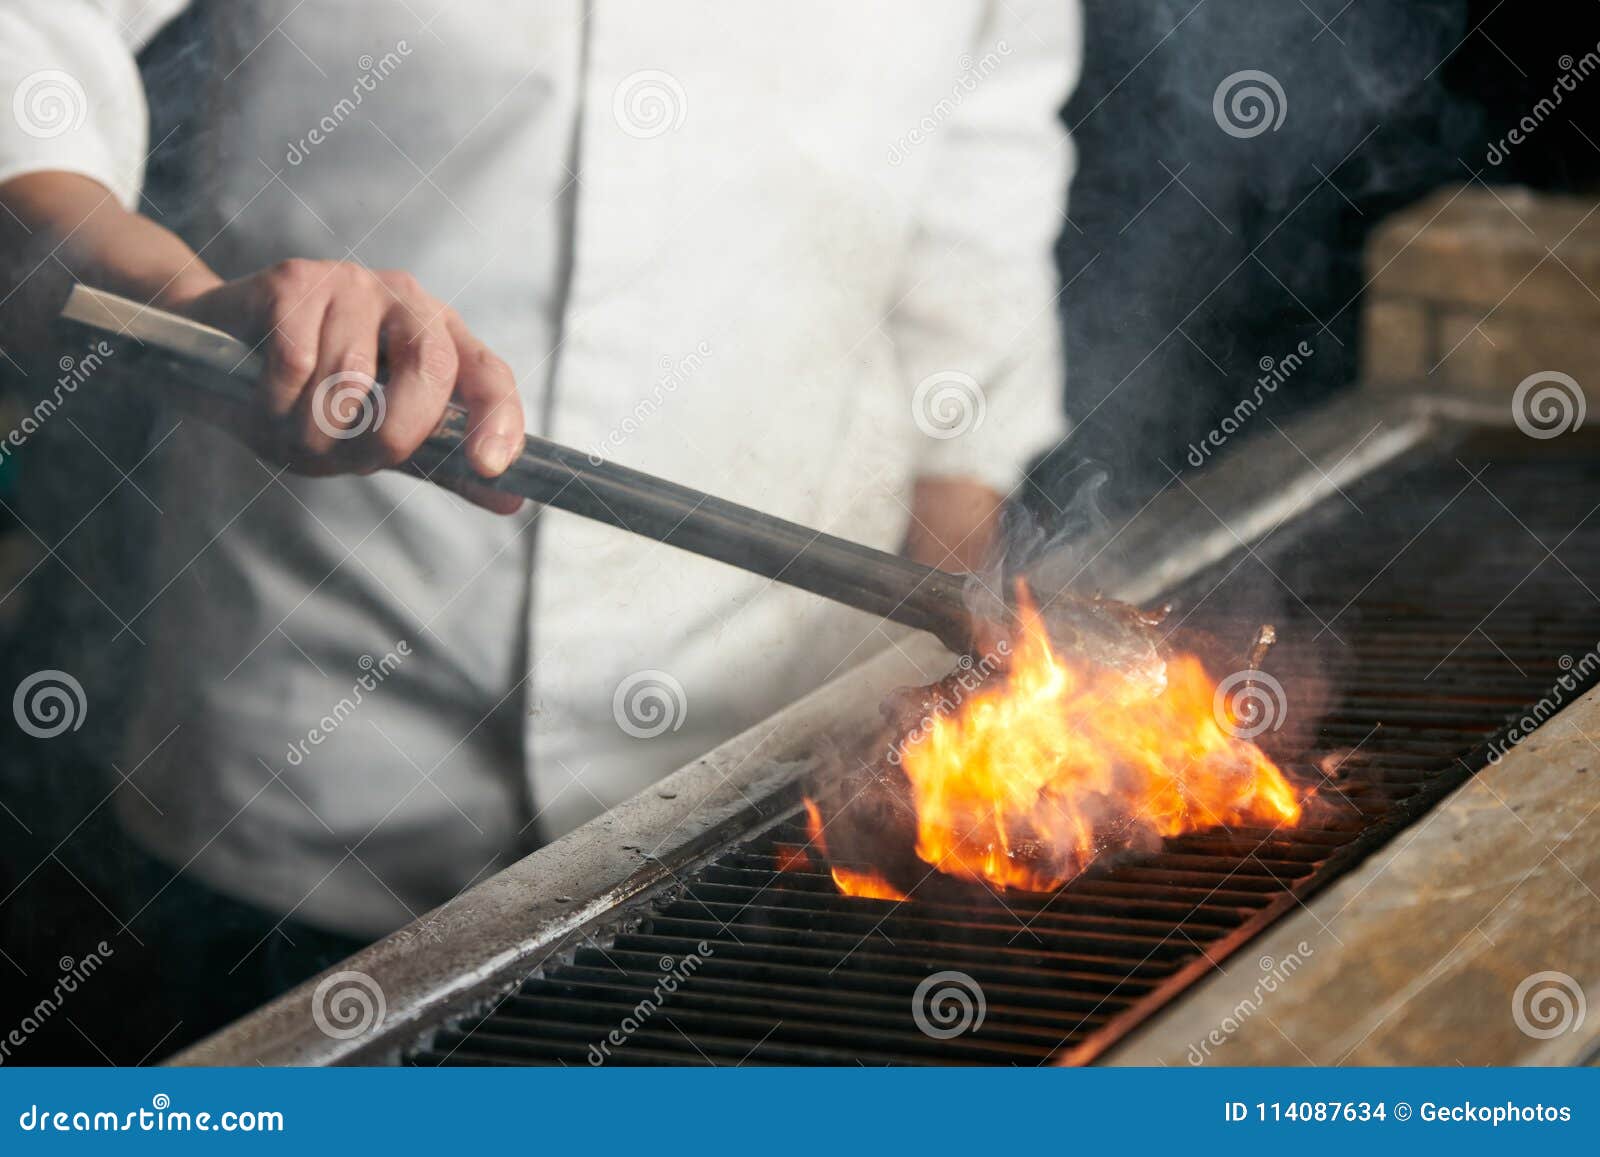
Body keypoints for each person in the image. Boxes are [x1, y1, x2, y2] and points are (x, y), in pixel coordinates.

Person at [0, 0, 1079, 1054]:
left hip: (771, 782)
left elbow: (971, 236)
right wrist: (171, 301)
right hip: (313, 758)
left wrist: (938, 709)